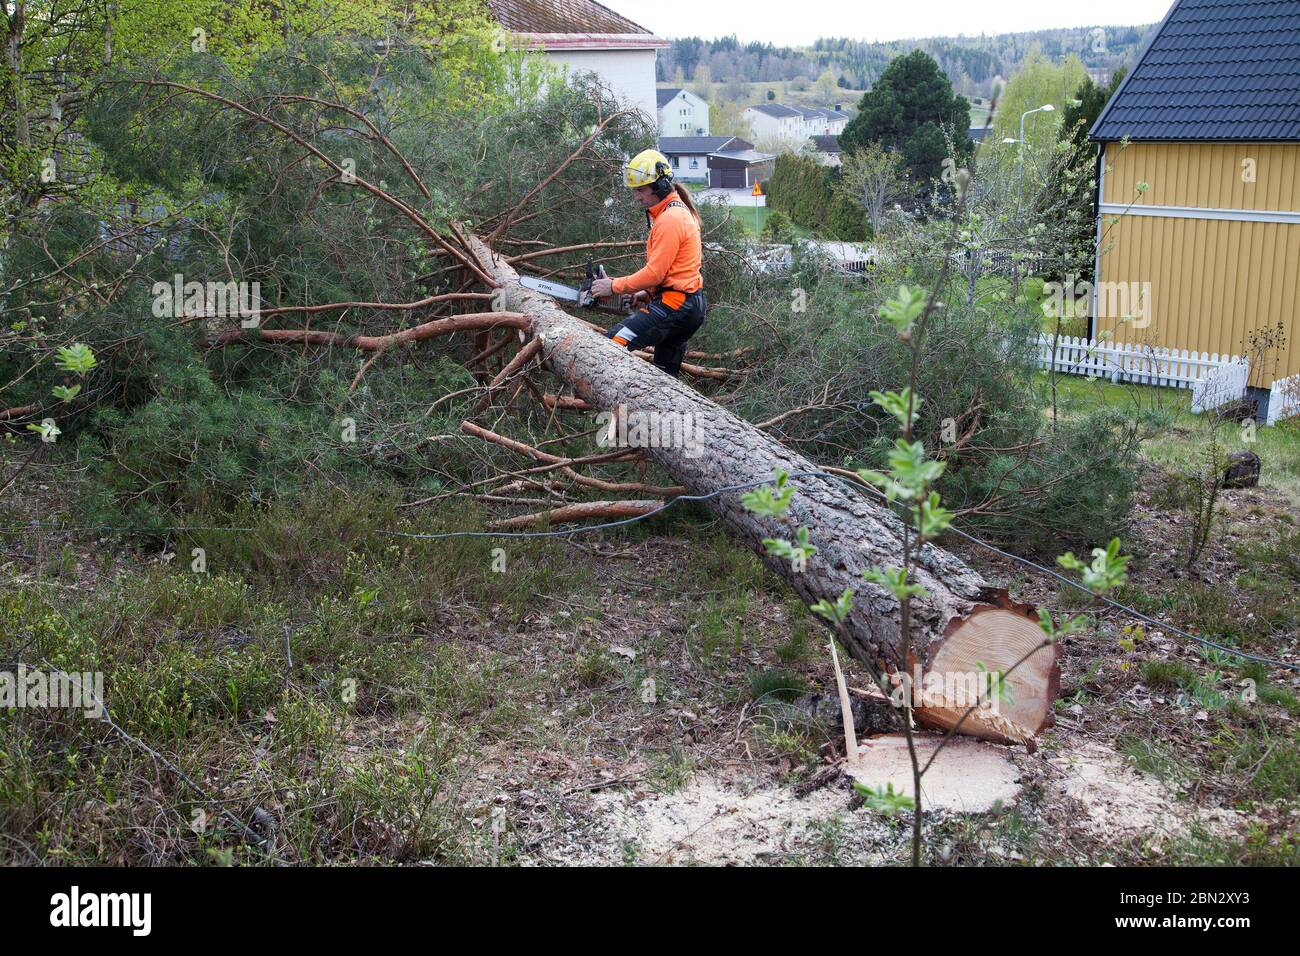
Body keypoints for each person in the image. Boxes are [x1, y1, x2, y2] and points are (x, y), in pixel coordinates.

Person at [588, 149, 707, 378]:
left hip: (675, 306)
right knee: (665, 376)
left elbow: (655, 273)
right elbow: (674, 271)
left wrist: (612, 286)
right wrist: (646, 293)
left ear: (660, 186)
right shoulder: (675, 213)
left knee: (609, 346)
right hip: (688, 305)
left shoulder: (671, 219)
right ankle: (663, 411)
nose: (637, 196)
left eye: (641, 190)